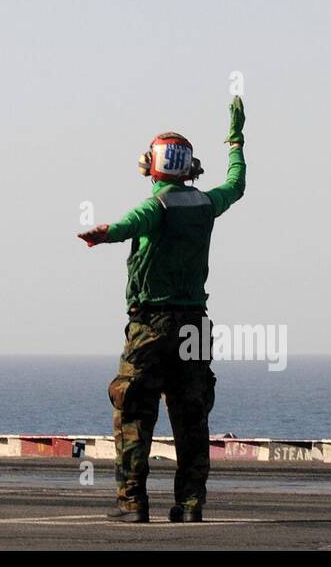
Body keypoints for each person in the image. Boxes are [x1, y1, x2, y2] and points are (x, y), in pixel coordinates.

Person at [77, 96, 246, 523]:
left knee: (134, 409)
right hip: (195, 323)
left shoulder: (157, 207)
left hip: (150, 324)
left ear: (151, 167)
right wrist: (235, 140)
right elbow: (236, 184)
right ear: (190, 168)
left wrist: (103, 234)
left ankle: (132, 503)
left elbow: (127, 225)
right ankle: (190, 505)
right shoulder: (207, 206)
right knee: (192, 415)